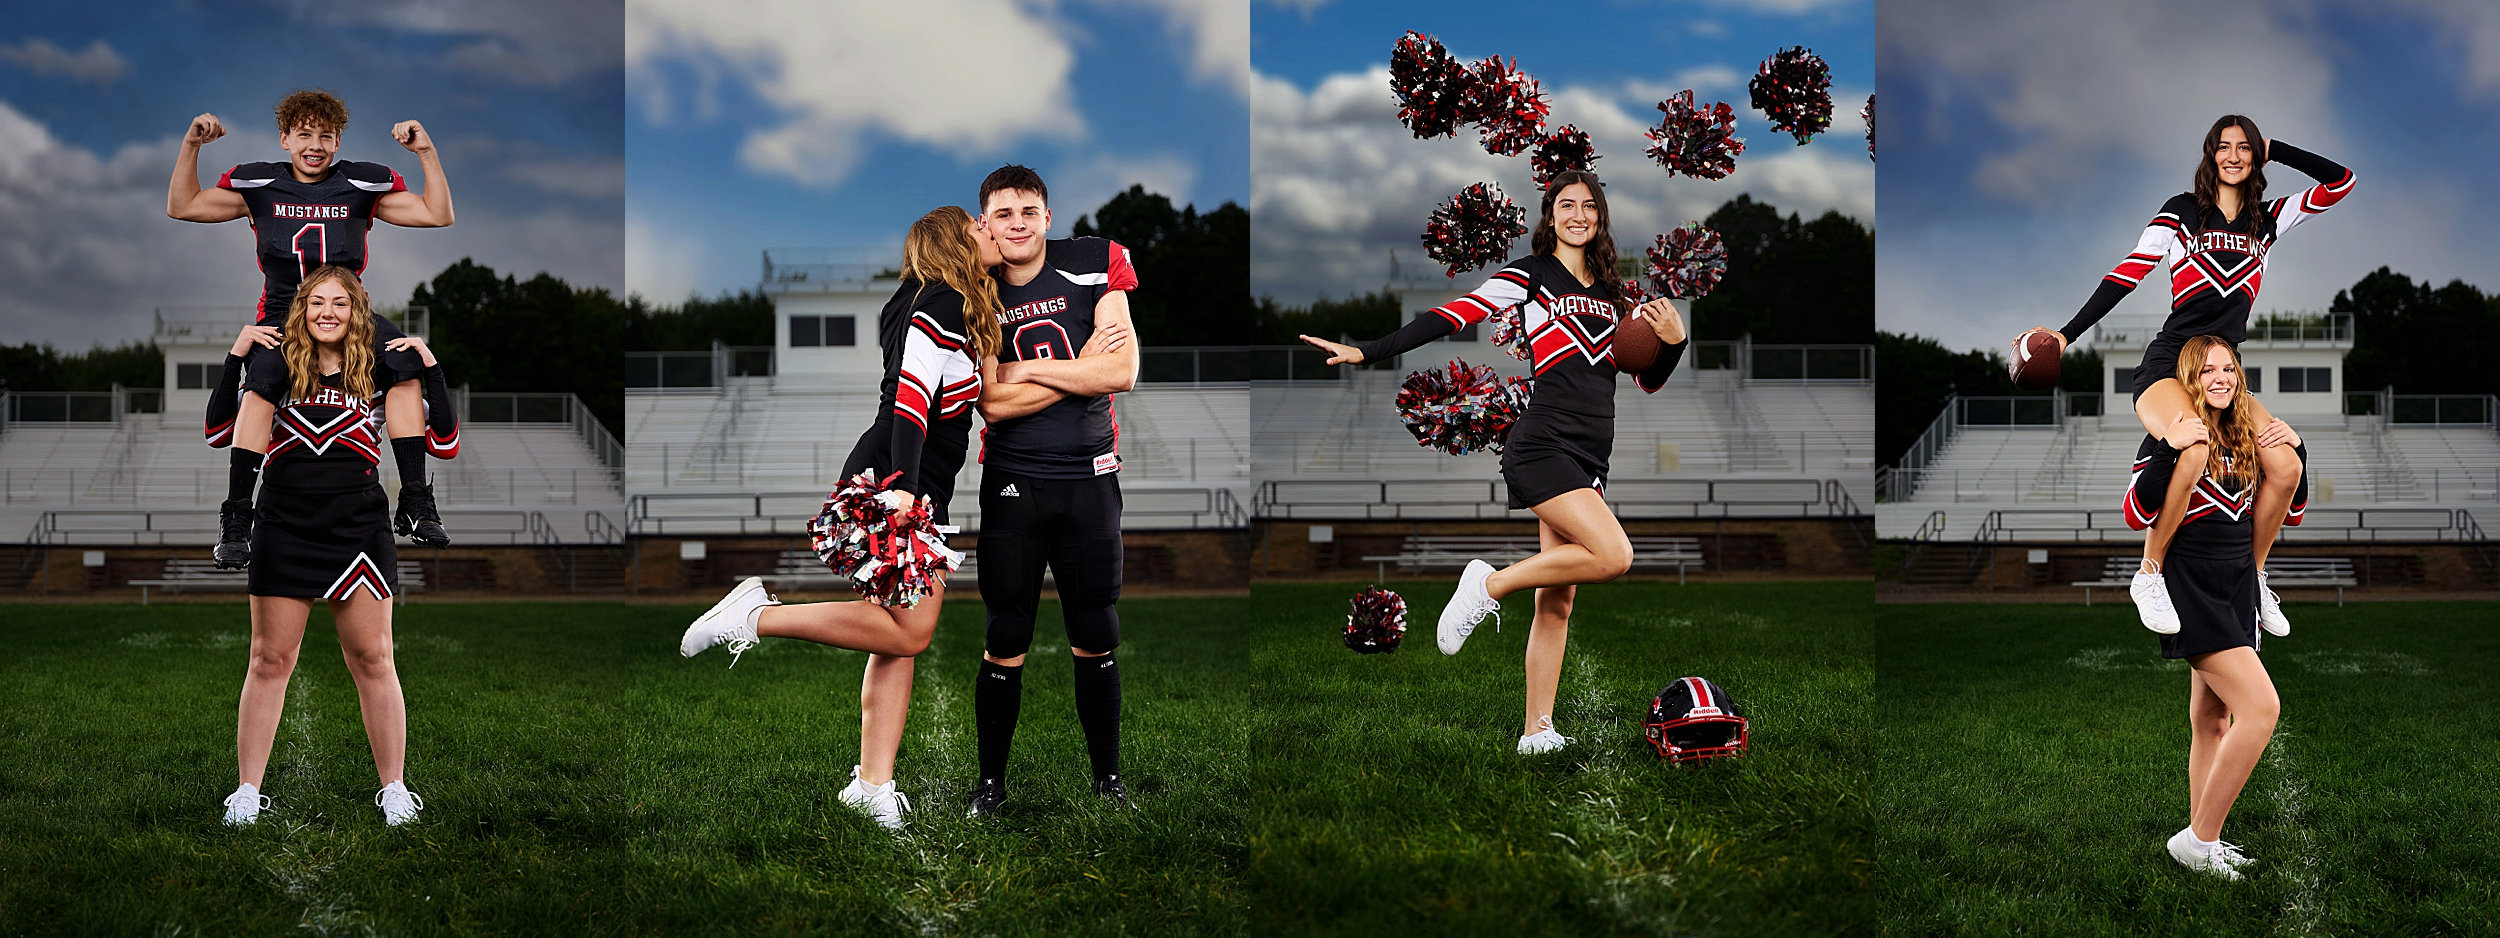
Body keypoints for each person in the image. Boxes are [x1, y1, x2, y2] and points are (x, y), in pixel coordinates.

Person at [1298, 170, 1689, 754]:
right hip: (1542, 444)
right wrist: (1369, 350)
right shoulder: (1530, 277)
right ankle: (1488, 583)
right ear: (1549, 215)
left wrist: (1674, 343)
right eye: (1566, 205)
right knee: (1613, 555)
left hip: (1590, 454)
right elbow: (1451, 315)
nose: (1578, 215)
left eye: (1589, 206)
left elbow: (1644, 376)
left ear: (1601, 217)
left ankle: (1537, 732)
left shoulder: (1617, 296)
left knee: (1557, 603)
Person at [678, 206, 1020, 830]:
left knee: (897, 637)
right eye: (978, 226)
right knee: (911, 633)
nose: (990, 230)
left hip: (907, 481)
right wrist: (908, 491)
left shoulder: (936, 299)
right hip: (896, 481)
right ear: (952, 240)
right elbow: (912, 394)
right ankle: (754, 616)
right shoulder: (939, 299)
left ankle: (871, 785)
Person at [2016, 115, 2348, 635]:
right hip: (2172, 363)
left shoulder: (2269, 218)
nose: (2233, 156)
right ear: (2209, 154)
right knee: (2192, 445)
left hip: (2224, 368)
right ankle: (2148, 574)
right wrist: (2064, 335)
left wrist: (2276, 147)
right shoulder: (2181, 213)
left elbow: (2341, 182)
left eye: (2244, 147)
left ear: (2255, 155)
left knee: (2284, 463)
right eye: (2223, 146)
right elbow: (2125, 274)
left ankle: (2254, 577)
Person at [171, 89, 460, 566]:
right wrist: (192, 146)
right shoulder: (260, 183)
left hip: (350, 313)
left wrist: (426, 152)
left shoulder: (361, 184)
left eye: (327, 136)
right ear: (284, 138)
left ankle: (414, 500)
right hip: (283, 316)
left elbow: (437, 213)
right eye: (304, 133)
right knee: (262, 380)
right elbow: (183, 205)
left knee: (405, 361)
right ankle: (237, 517)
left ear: (339, 140)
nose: (316, 145)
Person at [213, 267, 450, 828]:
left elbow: (446, 439)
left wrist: (431, 367)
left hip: (357, 525)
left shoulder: (382, 373)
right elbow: (219, 432)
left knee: (373, 658)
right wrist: (235, 355)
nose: (327, 312)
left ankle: (394, 788)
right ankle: (247, 792)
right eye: (316, 301)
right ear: (300, 309)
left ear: (357, 311)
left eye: (340, 303)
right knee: (269, 659)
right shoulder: (272, 367)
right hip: (284, 522)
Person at [966, 164, 1141, 816]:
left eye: (1029, 211)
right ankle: (990, 785)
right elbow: (991, 402)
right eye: (1004, 214)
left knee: (1096, 629)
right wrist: (1076, 367)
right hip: (1014, 481)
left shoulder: (1095, 262)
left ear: (1047, 216)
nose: (1017, 224)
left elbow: (1121, 369)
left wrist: (1029, 370)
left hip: (1090, 479)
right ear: (986, 223)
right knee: (1005, 632)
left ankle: (1108, 781)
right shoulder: (976, 285)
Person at [2119, 336, 2306, 879]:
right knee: (2262, 708)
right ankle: (2198, 841)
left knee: (2211, 719)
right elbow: (2138, 510)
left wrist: (2301, 446)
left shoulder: (2247, 433)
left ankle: (2206, 840)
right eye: (2206, 371)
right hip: (2191, 584)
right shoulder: (2176, 433)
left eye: (2229, 367)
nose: (2220, 378)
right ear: (2187, 380)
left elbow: (2290, 499)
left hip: (2237, 581)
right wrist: (2165, 446)